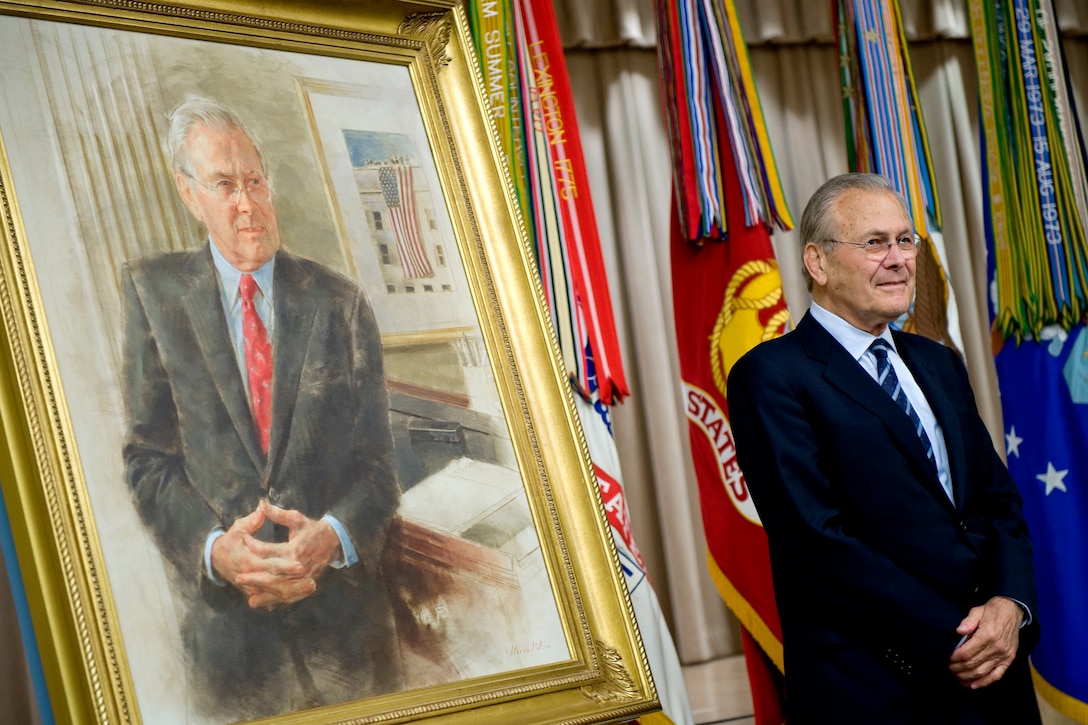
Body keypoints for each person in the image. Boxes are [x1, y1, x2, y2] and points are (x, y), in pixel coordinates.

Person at [120, 96, 402, 719]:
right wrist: (216, 548)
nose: (246, 204)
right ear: (189, 194)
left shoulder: (340, 301)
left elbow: (379, 468)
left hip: (349, 639)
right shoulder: (151, 293)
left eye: (254, 181)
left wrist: (331, 537)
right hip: (231, 652)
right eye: (224, 185)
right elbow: (147, 461)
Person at [726, 173, 1041, 723]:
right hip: (877, 686)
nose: (898, 259)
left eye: (905, 240)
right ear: (817, 264)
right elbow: (815, 541)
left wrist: (1009, 606)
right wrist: (954, 636)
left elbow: (997, 503)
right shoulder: (771, 376)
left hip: (996, 669)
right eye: (874, 243)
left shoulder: (939, 362)